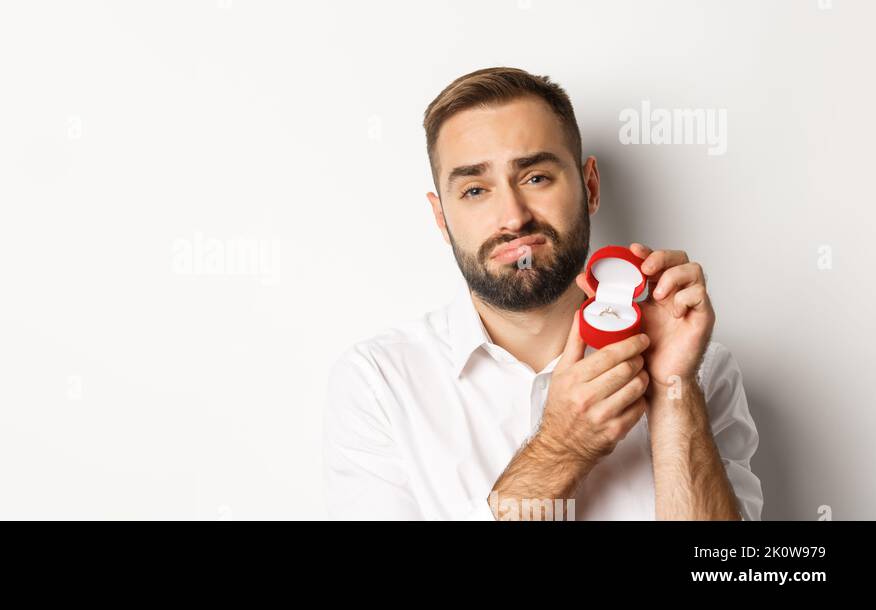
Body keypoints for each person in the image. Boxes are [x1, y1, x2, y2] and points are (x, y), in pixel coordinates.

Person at [324, 67, 761, 520]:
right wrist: (561, 448)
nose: (513, 218)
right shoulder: (379, 383)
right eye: (475, 190)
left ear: (590, 187)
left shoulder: (698, 368)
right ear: (442, 219)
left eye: (535, 178)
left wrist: (674, 391)